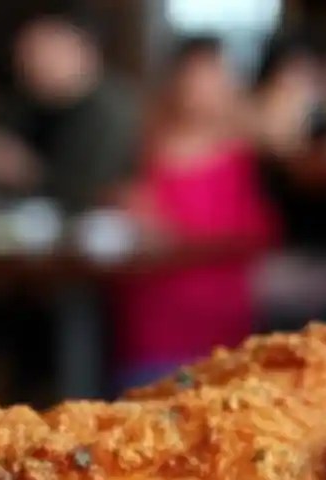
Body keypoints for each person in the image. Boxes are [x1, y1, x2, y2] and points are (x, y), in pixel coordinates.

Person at [116, 37, 280, 389]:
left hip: (223, 323)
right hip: (154, 322)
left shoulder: (248, 151)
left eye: (216, 77)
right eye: (198, 77)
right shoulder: (144, 147)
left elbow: (258, 232)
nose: (206, 89)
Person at [0, 5, 139, 213]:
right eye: (25, 53)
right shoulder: (25, 104)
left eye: (45, 51)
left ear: (82, 50)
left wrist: (28, 174)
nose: (33, 63)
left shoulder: (112, 110)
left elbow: (90, 191)